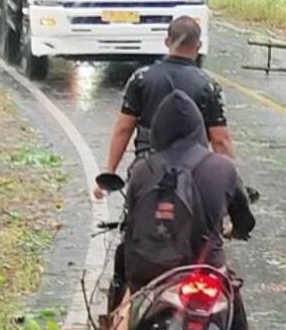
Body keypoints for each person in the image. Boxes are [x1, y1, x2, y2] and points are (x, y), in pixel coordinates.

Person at [122, 88, 280, 330]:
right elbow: (244, 220)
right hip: (207, 275)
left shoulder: (141, 170)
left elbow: (132, 223)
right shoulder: (221, 168)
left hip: (154, 277)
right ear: (198, 128)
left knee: (125, 307)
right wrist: (233, 228)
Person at [93, 15, 233, 199]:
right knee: (212, 220)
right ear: (198, 46)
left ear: (167, 42)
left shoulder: (141, 78)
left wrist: (109, 174)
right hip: (194, 171)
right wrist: (232, 184)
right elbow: (220, 140)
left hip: (148, 167)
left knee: (132, 220)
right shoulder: (208, 86)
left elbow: (124, 129)